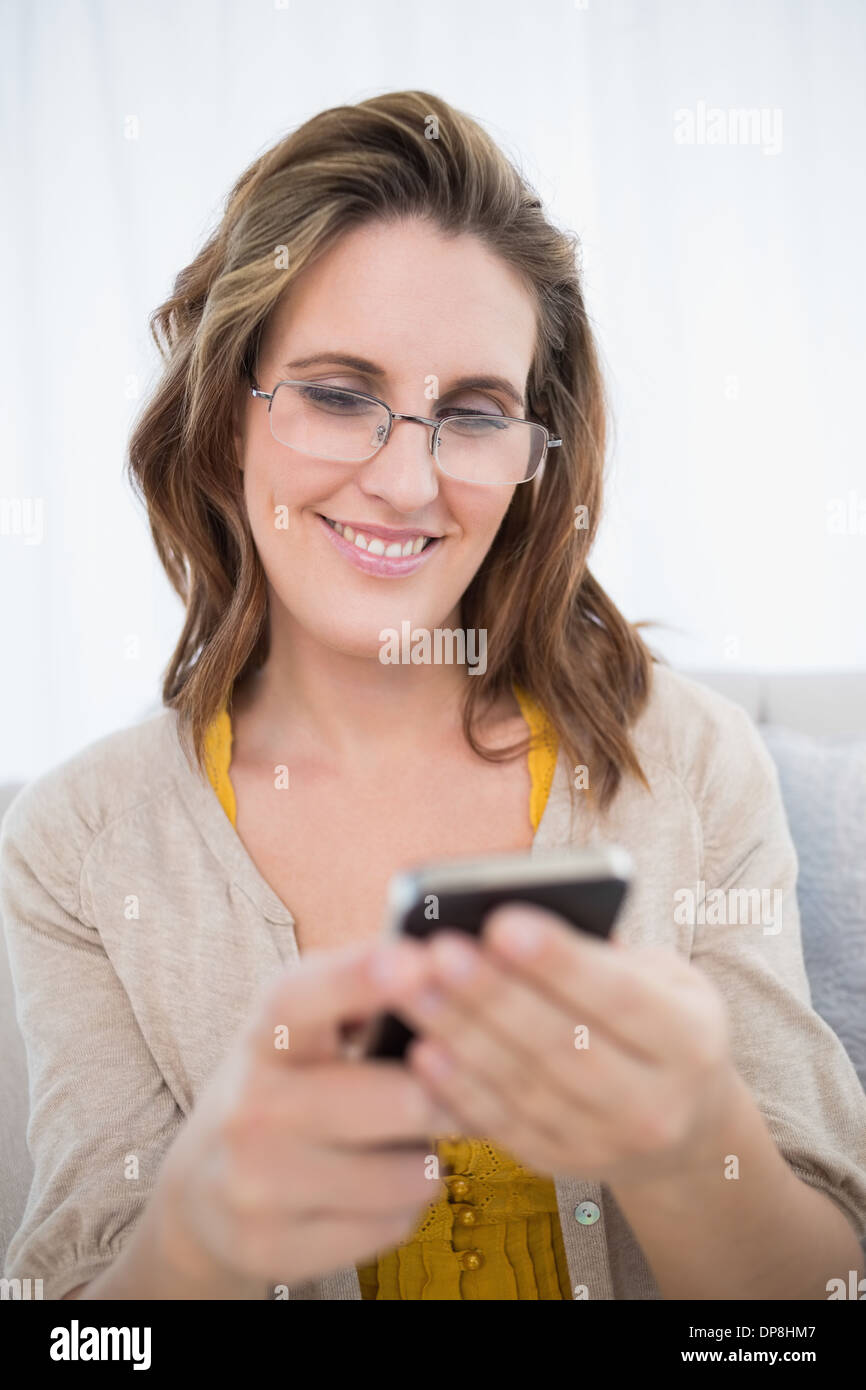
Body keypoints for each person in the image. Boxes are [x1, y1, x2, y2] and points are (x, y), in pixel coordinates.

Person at [3, 89, 865, 1302]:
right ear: (224, 415)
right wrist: (194, 1235)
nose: (407, 479)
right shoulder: (78, 847)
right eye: (339, 392)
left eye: (473, 414)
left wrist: (686, 1145)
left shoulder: (689, 762)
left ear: (532, 454)